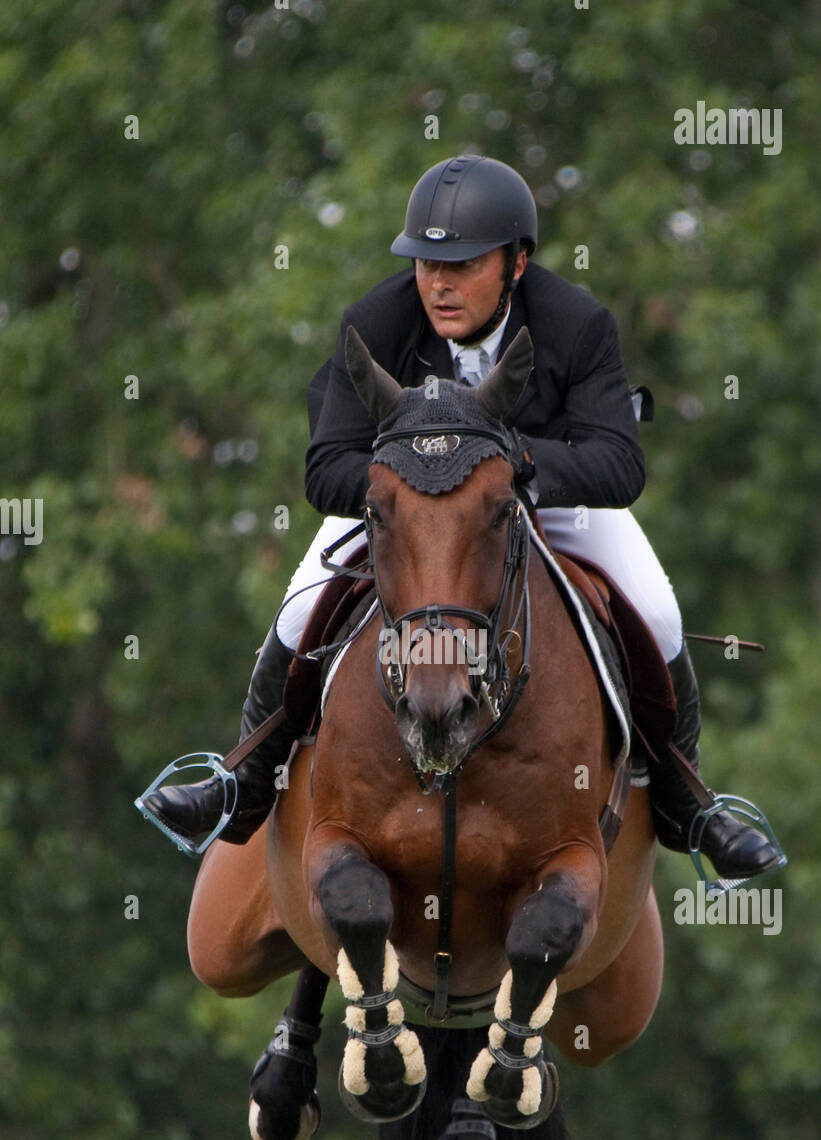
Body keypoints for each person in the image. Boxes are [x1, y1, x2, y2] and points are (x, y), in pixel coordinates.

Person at [141, 154, 783, 881]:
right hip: (404, 512)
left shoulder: (576, 324)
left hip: (539, 500)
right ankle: (241, 782)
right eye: (426, 263)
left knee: (659, 612)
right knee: (297, 610)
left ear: (516, 263)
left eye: (464, 264)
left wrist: (512, 470)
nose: (439, 284)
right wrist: (408, 488)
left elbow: (620, 463)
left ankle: (690, 804)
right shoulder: (375, 323)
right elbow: (325, 468)